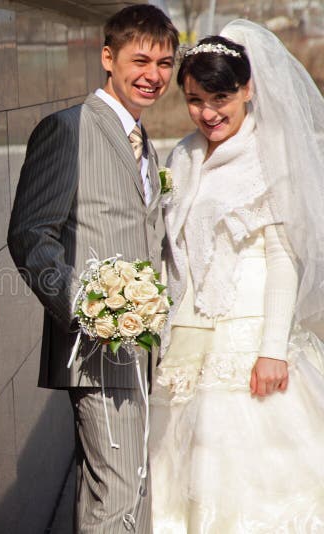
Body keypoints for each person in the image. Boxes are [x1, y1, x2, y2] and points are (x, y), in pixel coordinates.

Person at [8, 5, 179, 533]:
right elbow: (31, 236)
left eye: (166, 63)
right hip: (99, 349)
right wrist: (88, 315)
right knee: (120, 492)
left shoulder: (144, 143)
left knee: (112, 488)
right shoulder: (66, 129)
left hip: (138, 352)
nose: (154, 75)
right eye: (141, 59)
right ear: (108, 57)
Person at [150, 21, 324, 532]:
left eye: (220, 97)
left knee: (256, 479)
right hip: (193, 337)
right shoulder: (182, 155)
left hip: (249, 344)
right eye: (195, 99)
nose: (208, 112)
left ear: (248, 89)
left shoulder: (269, 157)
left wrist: (272, 348)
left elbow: (282, 259)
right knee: (187, 472)